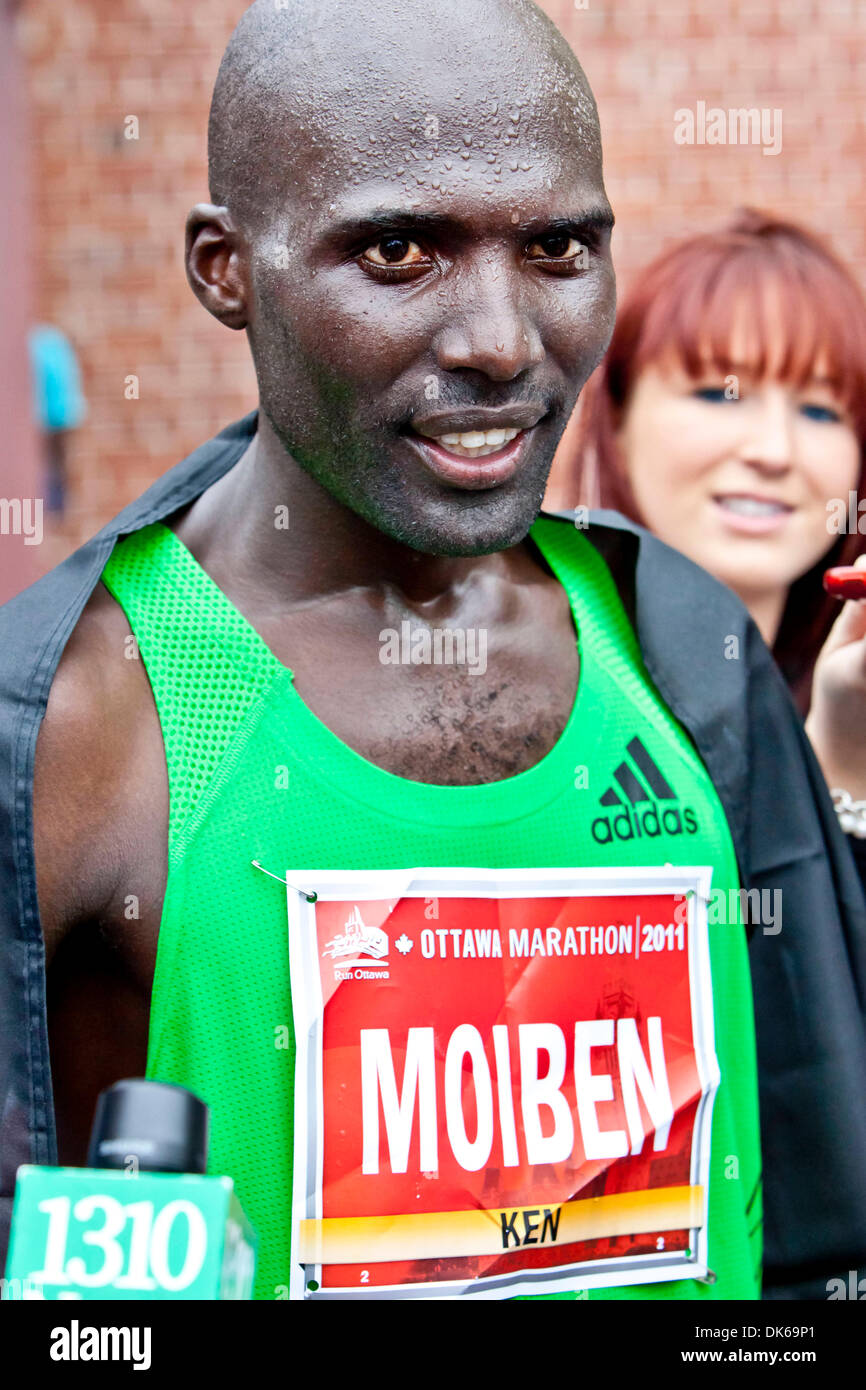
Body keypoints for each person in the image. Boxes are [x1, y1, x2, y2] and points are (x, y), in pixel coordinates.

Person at [1, 0, 865, 1303]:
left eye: (556, 247)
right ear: (222, 269)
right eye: (398, 250)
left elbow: (814, 1182)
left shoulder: (679, 653)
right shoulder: (81, 720)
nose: (501, 341)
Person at [554, 211, 866, 828]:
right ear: (617, 415)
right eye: (718, 395)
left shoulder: (844, 697)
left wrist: (845, 744)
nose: (774, 451)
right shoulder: (540, 698)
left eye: (822, 411)